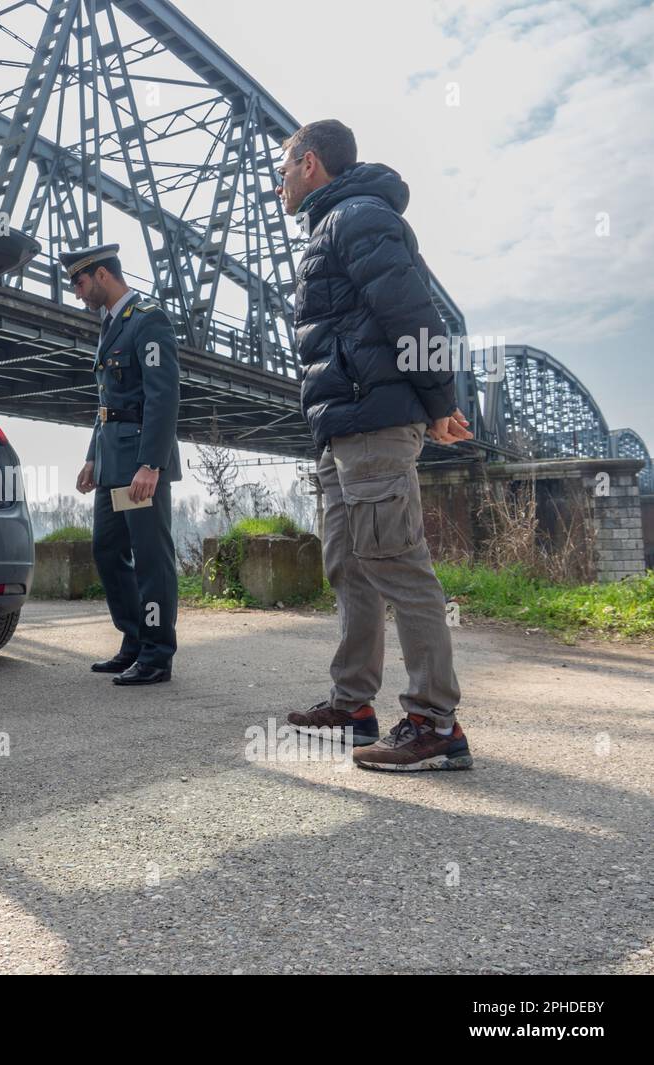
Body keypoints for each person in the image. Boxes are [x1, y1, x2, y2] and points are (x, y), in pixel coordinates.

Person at [275, 119, 474, 770]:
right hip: (342, 426)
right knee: (350, 564)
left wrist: (439, 402)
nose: (278, 181)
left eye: (284, 166)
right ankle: (353, 705)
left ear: (310, 164)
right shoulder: (335, 224)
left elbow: (414, 313)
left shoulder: (357, 216)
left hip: (373, 419)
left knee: (396, 561)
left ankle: (433, 722)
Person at [64, 244, 181, 686]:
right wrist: (92, 456)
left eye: (79, 282)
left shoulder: (147, 318)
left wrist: (151, 462)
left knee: (151, 558)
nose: (77, 293)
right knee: (107, 550)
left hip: (139, 463)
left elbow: (162, 396)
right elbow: (106, 402)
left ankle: (156, 653)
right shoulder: (110, 324)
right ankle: (133, 641)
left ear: (101, 275)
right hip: (112, 461)